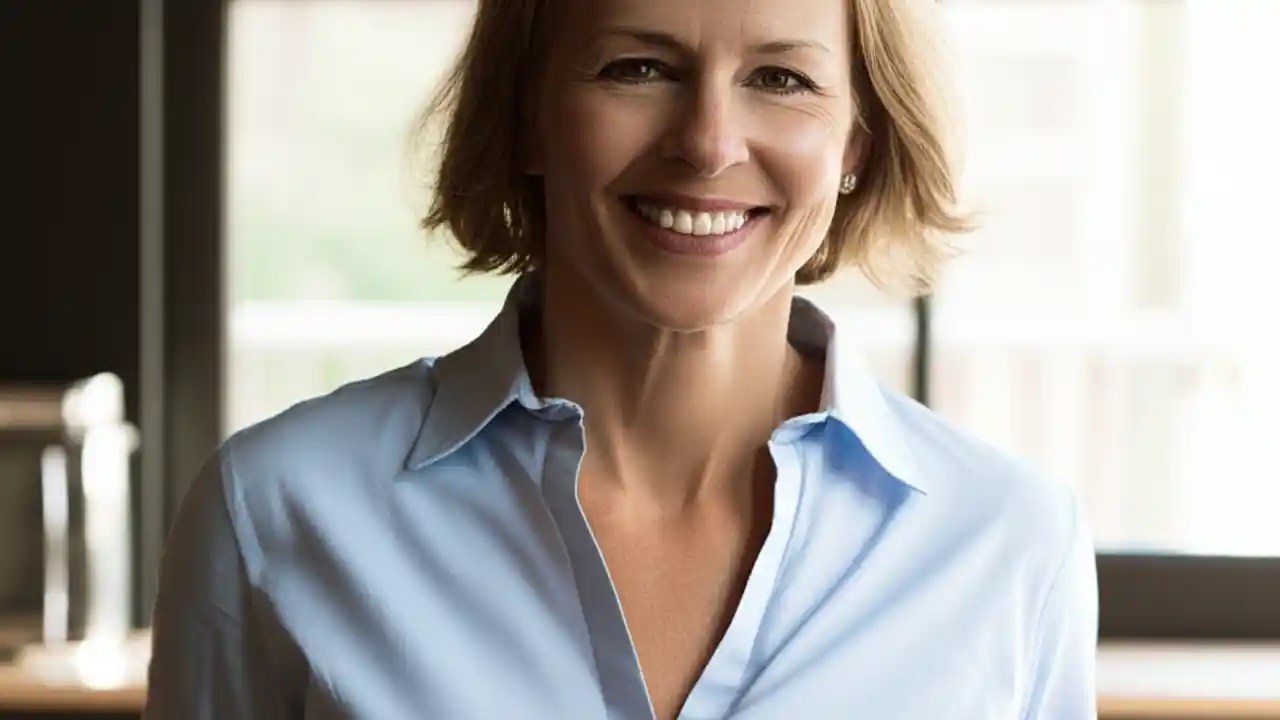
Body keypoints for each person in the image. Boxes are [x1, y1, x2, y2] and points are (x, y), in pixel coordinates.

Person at [144, 0, 1098, 716]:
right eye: (638, 68)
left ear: (859, 138)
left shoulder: (1007, 542)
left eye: (781, 79)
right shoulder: (276, 512)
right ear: (524, 116)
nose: (709, 144)